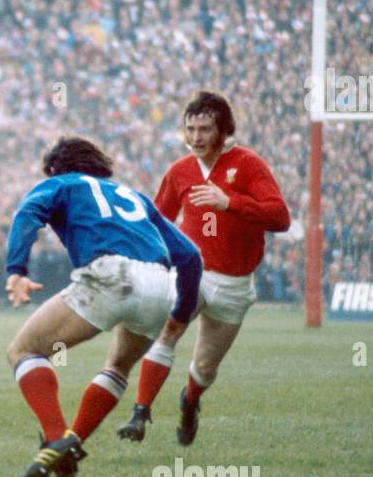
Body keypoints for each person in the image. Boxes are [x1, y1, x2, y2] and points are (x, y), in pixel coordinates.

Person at [4, 136, 202, 477]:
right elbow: (189, 256)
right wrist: (180, 316)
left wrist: (16, 270)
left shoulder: (61, 182)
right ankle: (71, 444)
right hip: (159, 284)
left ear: (54, 169)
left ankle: (55, 439)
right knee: (117, 367)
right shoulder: (134, 197)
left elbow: (27, 213)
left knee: (23, 350)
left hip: (112, 274)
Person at [118, 91, 290, 446]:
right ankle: (140, 413)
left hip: (234, 285)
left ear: (224, 130)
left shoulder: (249, 164)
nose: (196, 137)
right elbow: (157, 221)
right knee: (168, 331)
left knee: (205, 369)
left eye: (205, 129)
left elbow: (280, 217)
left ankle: (190, 400)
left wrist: (229, 202)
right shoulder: (180, 171)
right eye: (190, 129)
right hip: (191, 272)